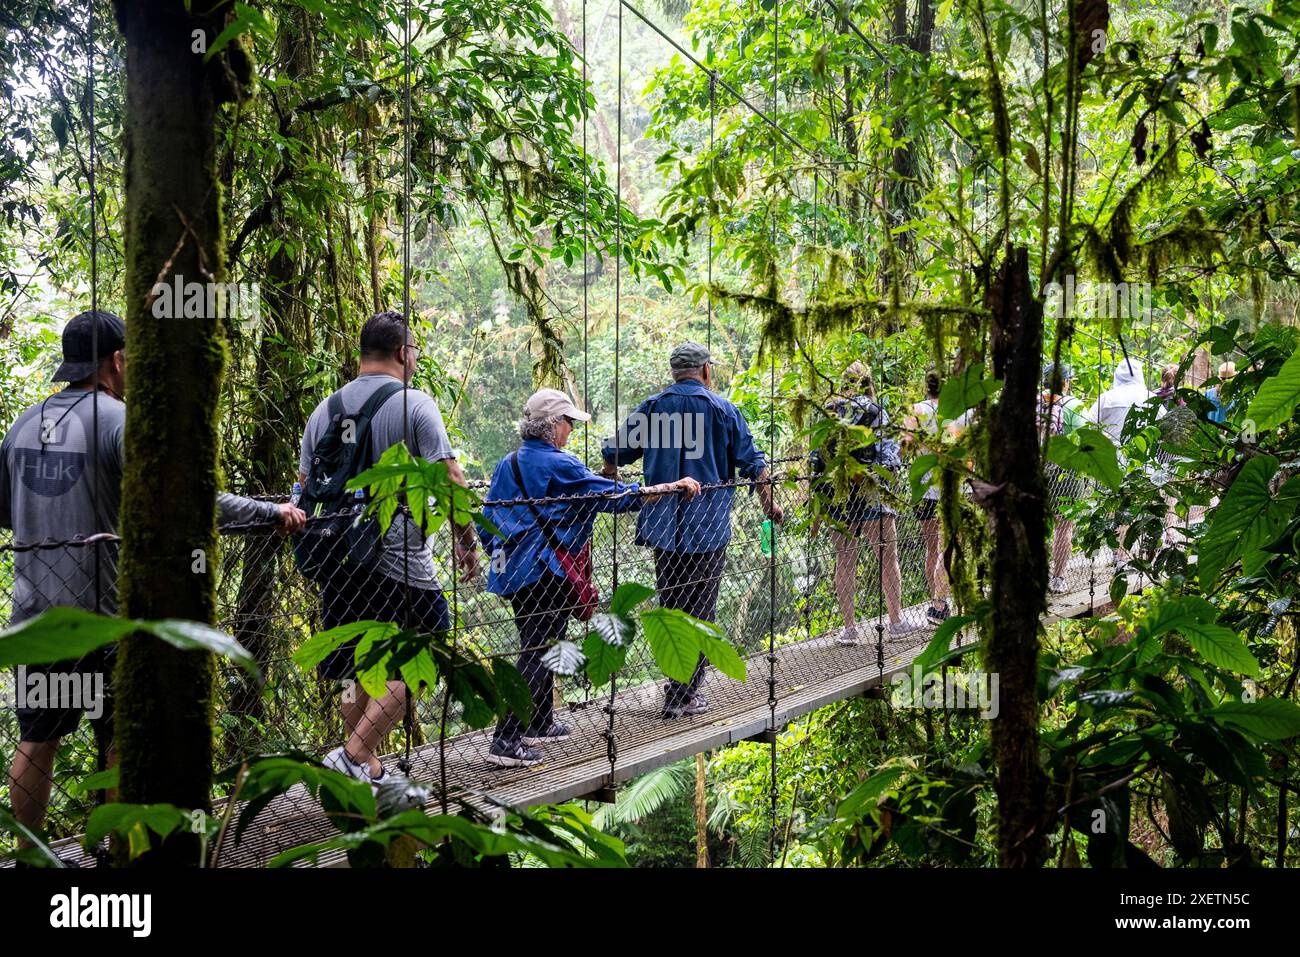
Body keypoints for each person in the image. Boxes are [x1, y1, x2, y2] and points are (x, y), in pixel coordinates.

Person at [1, 310, 304, 853]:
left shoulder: (24, 424)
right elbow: (187, 502)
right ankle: (115, 851)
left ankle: (30, 858)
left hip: (35, 617)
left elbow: (7, 510)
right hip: (103, 619)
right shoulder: (121, 422)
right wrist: (267, 512)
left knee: (37, 737)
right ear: (118, 362)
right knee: (121, 736)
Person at [296, 310, 478, 786]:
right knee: (427, 652)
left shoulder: (325, 409)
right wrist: (466, 541)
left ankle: (363, 767)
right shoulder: (414, 404)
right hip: (398, 559)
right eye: (414, 351)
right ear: (403, 352)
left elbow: (304, 486)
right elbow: (449, 476)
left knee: (359, 666)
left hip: (336, 557)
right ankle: (354, 756)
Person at [480, 389, 700, 767]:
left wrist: (501, 558)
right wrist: (670, 487)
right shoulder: (561, 465)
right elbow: (616, 497)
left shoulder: (508, 463)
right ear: (552, 426)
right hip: (548, 570)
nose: (570, 430)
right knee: (536, 650)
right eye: (568, 422)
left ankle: (539, 721)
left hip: (516, 570)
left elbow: (489, 521)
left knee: (545, 642)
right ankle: (506, 739)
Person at [601, 342, 782, 719]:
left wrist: (610, 477)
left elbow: (614, 450)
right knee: (701, 610)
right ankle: (684, 692)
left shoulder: (652, 408)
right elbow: (754, 465)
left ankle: (677, 686)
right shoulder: (723, 410)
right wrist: (770, 506)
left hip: (664, 527)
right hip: (708, 527)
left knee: (671, 607)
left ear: (674, 372)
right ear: (705, 371)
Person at [812, 362, 919, 645]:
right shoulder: (874, 411)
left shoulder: (830, 410)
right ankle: (895, 621)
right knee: (887, 558)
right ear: (869, 383)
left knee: (845, 561)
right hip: (872, 494)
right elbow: (889, 455)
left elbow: (816, 457)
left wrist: (819, 499)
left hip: (838, 495)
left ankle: (849, 629)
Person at [901, 370, 950, 625]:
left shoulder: (917, 410)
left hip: (923, 488)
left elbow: (904, 443)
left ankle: (937, 599)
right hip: (949, 489)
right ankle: (938, 604)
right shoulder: (955, 412)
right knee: (946, 547)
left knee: (932, 546)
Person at [1039, 362, 1086, 593]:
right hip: (1066, 472)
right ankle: (1057, 578)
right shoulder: (1074, 405)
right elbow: (1085, 440)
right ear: (1066, 382)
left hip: (1037, 470)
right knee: (1064, 527)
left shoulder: (1034, 403)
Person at [1085, 356, 1153, 445]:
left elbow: (1088, 423)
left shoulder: (1106, 398)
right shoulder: (1151, 398)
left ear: (1117, 375)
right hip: (1142, 454)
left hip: (1110, 454)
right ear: (1140, 375)